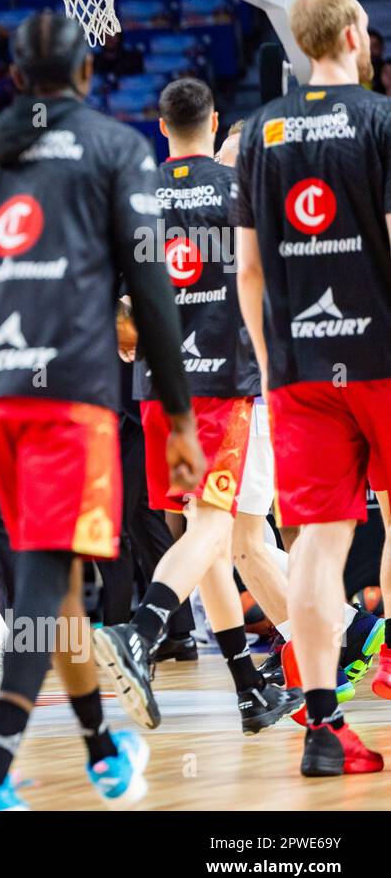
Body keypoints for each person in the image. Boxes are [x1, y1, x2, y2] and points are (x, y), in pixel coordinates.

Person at [0, 11, 199, 809]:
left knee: (65, 581)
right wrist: (178, 420)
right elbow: (151, 289)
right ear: (85, 74)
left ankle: (102, 749)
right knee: (48, 570)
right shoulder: (116, 147)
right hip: (69, 393)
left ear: (16, 78)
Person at [94, 77, 306, 737]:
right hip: (225, 382)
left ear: (161, 126)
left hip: (159, 391)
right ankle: (144, 630)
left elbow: (108, 301)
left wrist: (131, 339)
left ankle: (248, 686)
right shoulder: (238, 189)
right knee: (219, 530)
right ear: (213, 122)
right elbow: (270, 280)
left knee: (205, 536)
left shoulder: (134, 197)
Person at [233, 0, 391, 776]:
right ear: (356, 33)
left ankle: (324, 727)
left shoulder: (261, 131)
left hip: (296, 369)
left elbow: (250, 270)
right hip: (382, 357)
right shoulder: (381, 120)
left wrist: (269, 362)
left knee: (316, 548)